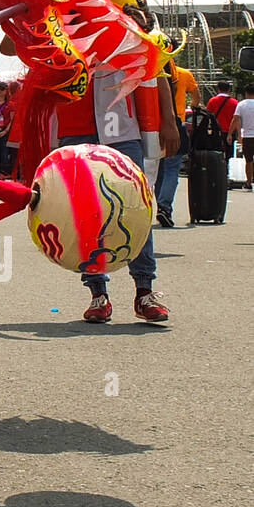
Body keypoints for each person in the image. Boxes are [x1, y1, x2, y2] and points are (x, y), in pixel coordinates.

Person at [53, 52, 179, 324]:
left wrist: (169, 119)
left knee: (136, 209)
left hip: (121, 127)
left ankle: (144, 291)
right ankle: (98, 293)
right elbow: (11, 47)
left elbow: (154, 67)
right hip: (75, 126)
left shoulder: (126, 18)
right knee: (85, 214)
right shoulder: (59, 19)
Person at [154, 58, 199, 226]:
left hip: (153, 124)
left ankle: (155, 205)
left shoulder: (150, 64)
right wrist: (192, 108)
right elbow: (196, 96)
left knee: (158, 170)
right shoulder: (184, 74)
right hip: (175, 123)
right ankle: (164, 207)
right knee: (172, 169)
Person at [227, 84, 254, 191]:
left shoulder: (241, 104)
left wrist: (231, 133)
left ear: (246, 93)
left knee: (249, 160)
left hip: (247, 136)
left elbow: (235, 119)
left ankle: (248, 182)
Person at [206, 81, 239, 163]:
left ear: (218, 89)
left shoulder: (212, 101)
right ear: (229, 90)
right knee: (229, 153)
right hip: (230, 132)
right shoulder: (235, 102)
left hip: (216, 131)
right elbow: (237, 119)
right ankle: (227, 170)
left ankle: (217, 169)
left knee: (216, 152)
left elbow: (207, 116)